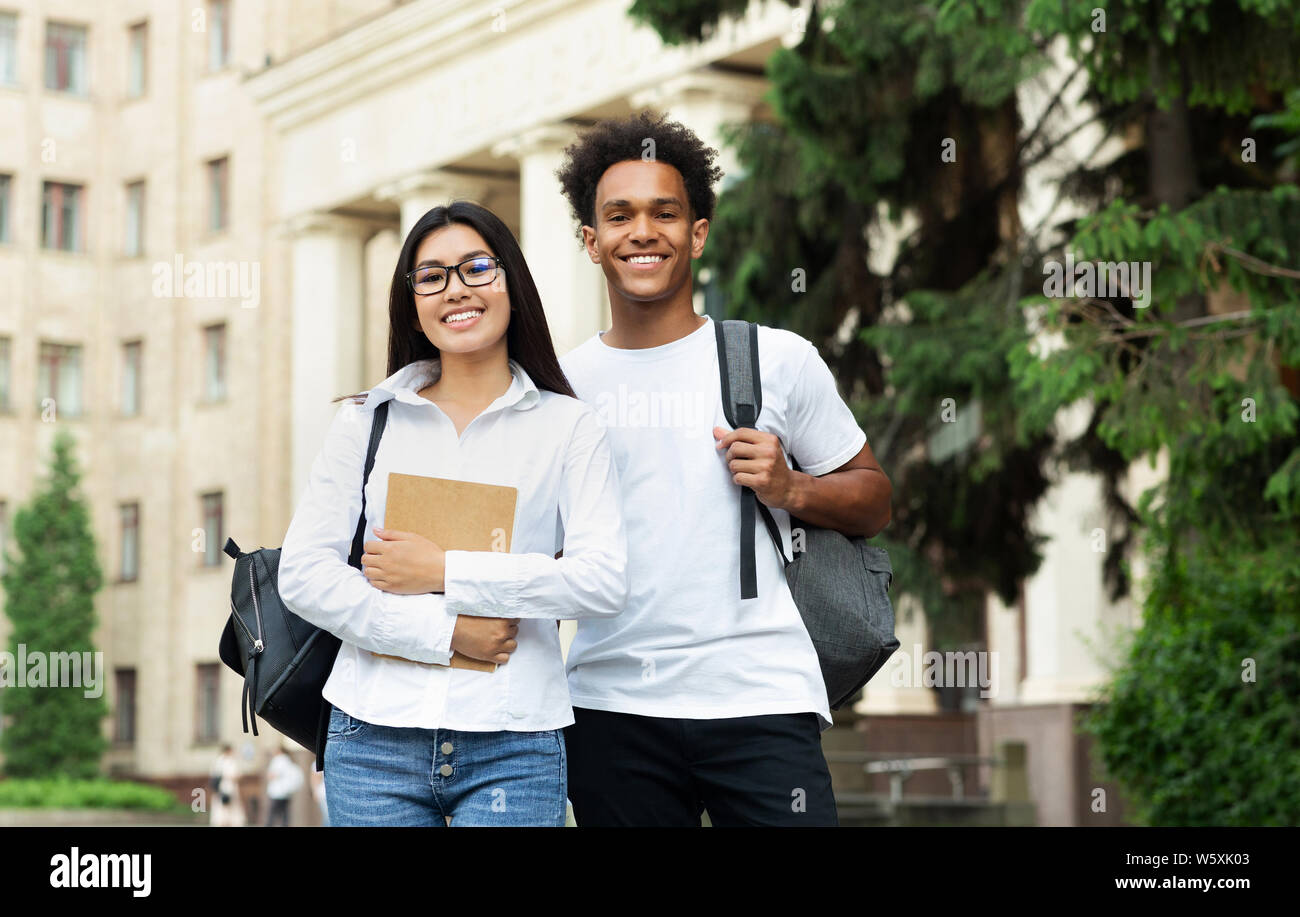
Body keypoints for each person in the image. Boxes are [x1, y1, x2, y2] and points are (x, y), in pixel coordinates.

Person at [554, 112, 893, 826]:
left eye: (664, 212)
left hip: (760, 698)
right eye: (619, 215)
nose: (642, 230)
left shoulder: (777, 357)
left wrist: (791, 486)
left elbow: (875, 500)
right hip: (613, 708)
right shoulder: (560, 388)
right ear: (592, 240)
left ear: (698, 232)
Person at [277, 200, 628, 827]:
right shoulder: (367, 420)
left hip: (513, 743)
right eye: (431, 276)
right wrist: (446, 636)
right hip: (372, 738)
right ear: (412, 301)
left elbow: (601, 581)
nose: (455, 290)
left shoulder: (568, 425)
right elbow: (303, 574)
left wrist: (445, 570)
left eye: (475, 268)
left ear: (511, 282)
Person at [265, 745, 304, 827]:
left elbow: (272, 775)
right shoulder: (289, 760)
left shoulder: (278, 760)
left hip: (277, 792)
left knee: (272, 814)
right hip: (286, 792)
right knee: (285, 814)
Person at [209, 744, 246, 827]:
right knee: (226, 807)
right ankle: (225, 822)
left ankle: (224, 822)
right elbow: (234, 775)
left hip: (222, 788)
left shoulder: (219, 760)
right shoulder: (228, 761)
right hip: (226, 787)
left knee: (224, 807)